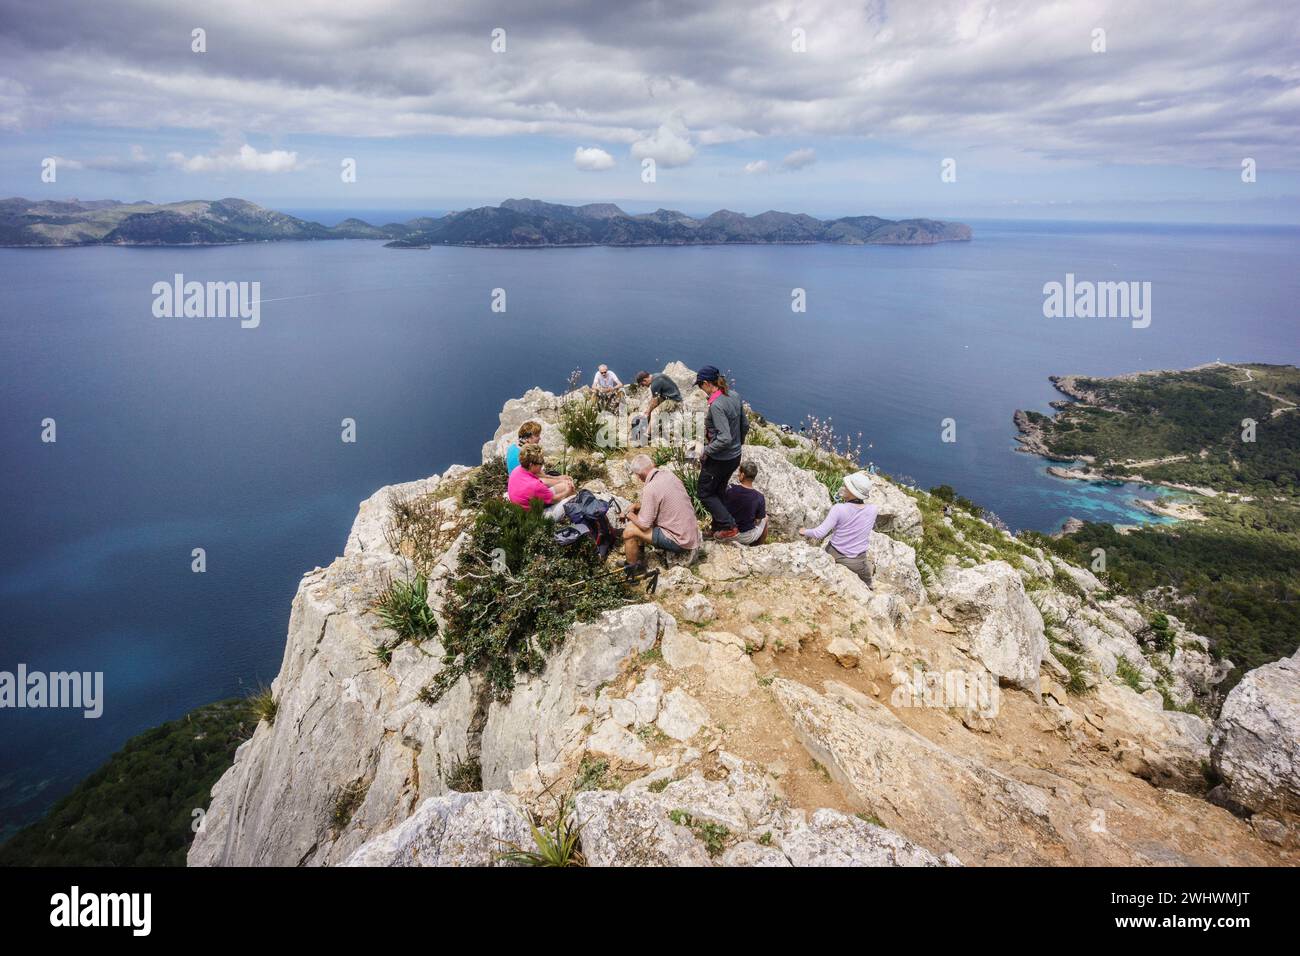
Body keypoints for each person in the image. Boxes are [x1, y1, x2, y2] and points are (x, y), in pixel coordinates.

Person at [621, 453, 702, 572]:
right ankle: (638, 558)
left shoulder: (651, 487)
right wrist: (637, 507)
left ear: (639, 476)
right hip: (690, 534)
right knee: (639, 517)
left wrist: (628, 513)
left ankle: (631, 571)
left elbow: (644, 525)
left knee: (629, 531)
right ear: (652, 464)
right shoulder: (669, 475)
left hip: (679, 540)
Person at [694, 365, 748, 540]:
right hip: (734, 457)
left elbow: (724, 438)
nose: (701, 389)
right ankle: (718, 527)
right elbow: (744, 425)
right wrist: (738, 445)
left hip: (719, 459)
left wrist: (706, 451)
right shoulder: (734, 396)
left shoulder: (717, 405)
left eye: (700, 385)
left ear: (707, 383)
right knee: (718, 491)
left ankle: (729, 526)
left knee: (704, 491)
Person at [799, 471, 879, 585]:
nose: (843, 487)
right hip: (858, 562)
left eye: (846, 486)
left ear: (852, 491)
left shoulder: (839, 509)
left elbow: (819, 533)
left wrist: (804, 531)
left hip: (834, 554)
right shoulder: (873, 510)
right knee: (868, 586)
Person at [505, 421, 573, 494]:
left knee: (556, 476)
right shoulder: (526, 454)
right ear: (528, 438)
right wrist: (560, 480)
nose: (539, 438)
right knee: (566, 486)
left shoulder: (512, 448)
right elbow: (539, 478)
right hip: (526, 489)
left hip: (516, 487)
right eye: (537, 435)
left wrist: (557, 478)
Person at [508, 444, 575, 512]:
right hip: (534, 517)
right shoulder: (535, 485)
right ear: (531, 465)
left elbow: (540, 477)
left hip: (521, 508)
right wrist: (567, 492)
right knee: (572, 497)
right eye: (540, 463)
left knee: (564, 486)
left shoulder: (517, 470)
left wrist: (559, 479)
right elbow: (554, 500)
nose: (542, 465)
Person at [723, 460, 768, 545]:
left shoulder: (730, 488)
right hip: (745, 537)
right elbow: (758, 520)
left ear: (743, 475)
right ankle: (758, 547)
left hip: (726, 532)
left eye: (739, 472)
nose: (738, 474)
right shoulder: (759, 497)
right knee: (765, 518)